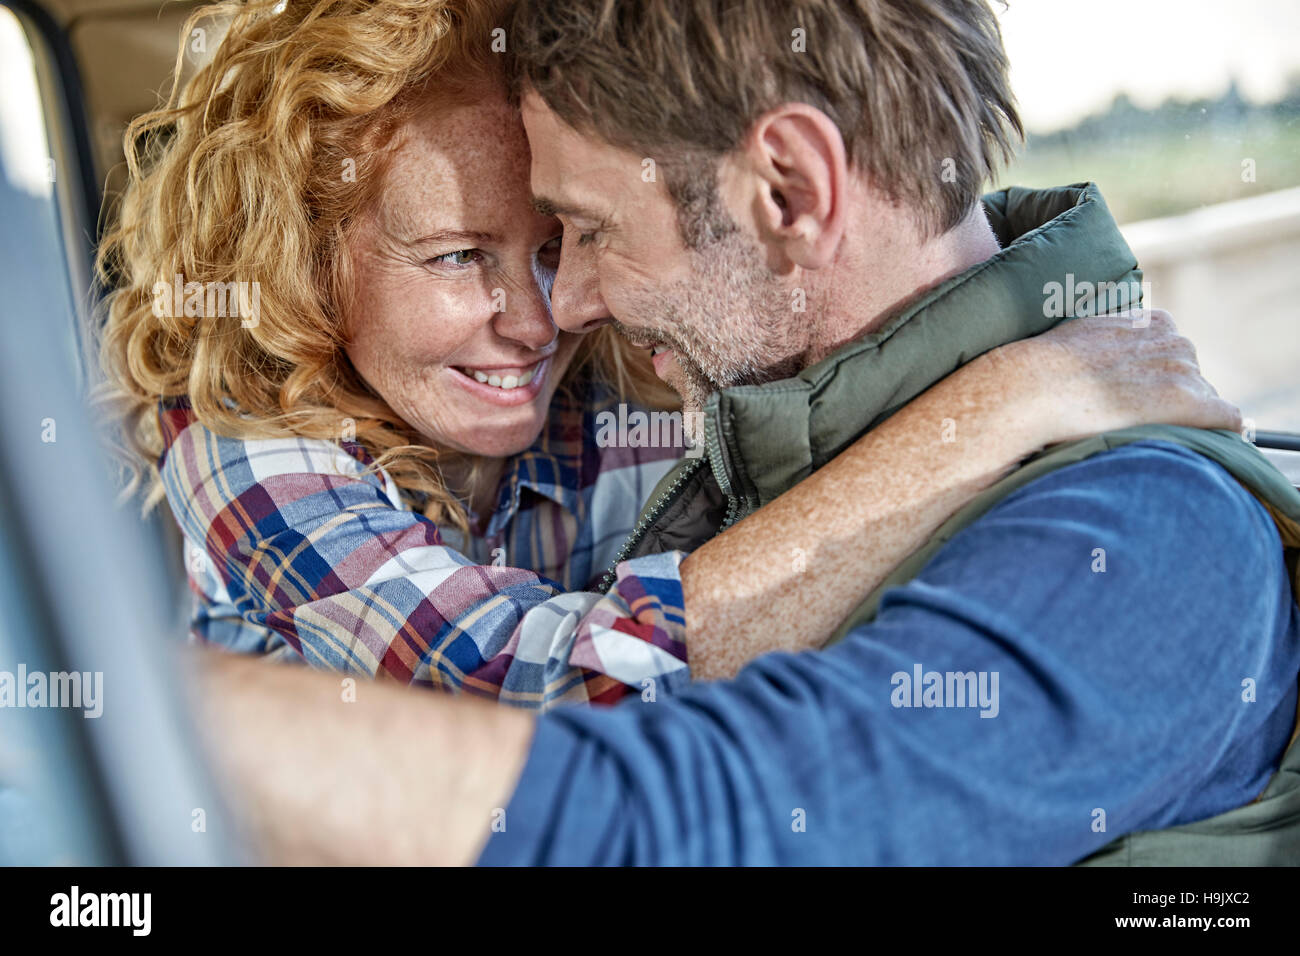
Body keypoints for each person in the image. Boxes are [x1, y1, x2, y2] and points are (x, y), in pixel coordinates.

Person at [189, 0, 1300, 866]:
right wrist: (1001, 402)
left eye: (581, 231)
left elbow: (687, 828)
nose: (561, 308)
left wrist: (160, 696)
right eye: (458, 254)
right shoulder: (759, 428)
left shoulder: (1141, 535)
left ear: (788, 188)